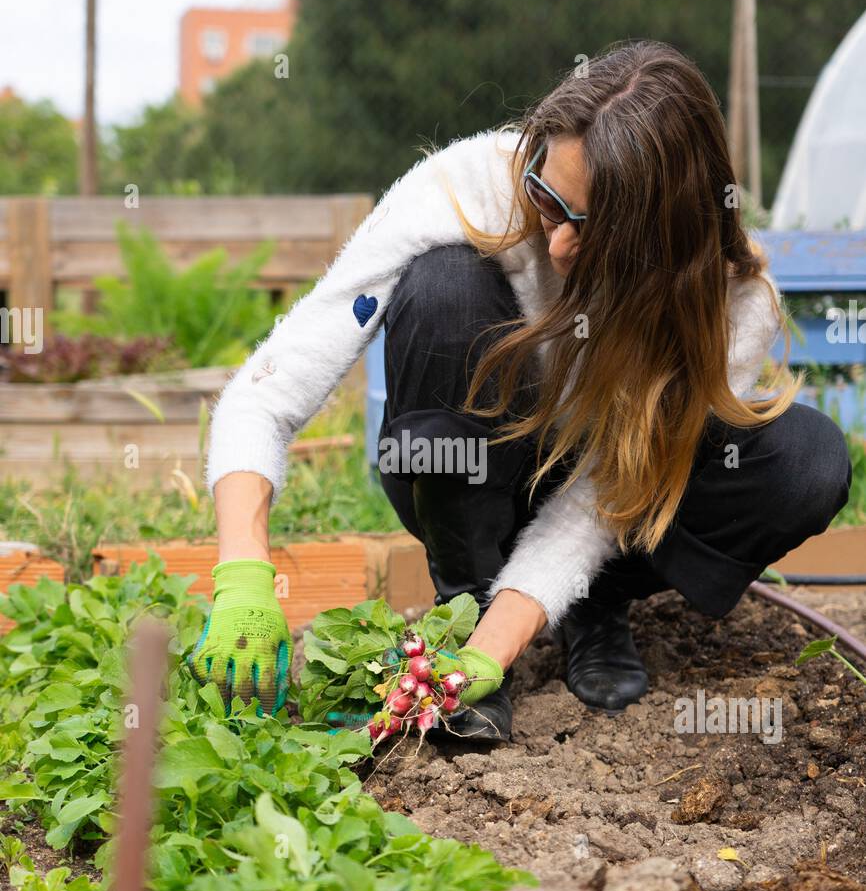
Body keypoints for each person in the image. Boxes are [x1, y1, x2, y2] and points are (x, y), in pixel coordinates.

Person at [189, 40, 851, 742]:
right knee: (443, 285)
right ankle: (465, 605)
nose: (555, 239)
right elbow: (270, 387)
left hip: (608, 505)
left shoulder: (727, 304)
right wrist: (242, 569)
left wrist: (493, 653)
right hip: (474, 468)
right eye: (547, 197)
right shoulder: (470, 186)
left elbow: (604, 499)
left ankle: (591, 607)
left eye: (590, 226)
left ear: (661, 238)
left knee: (806, 462)